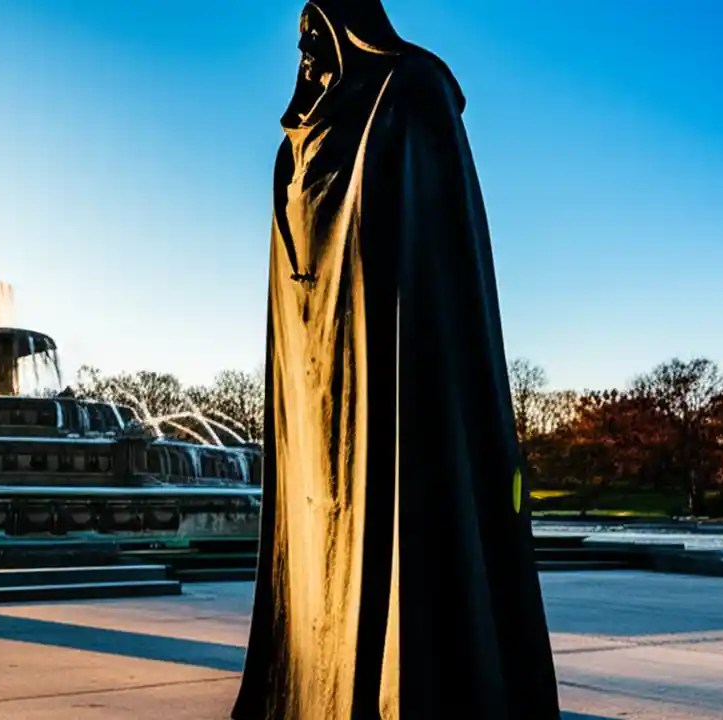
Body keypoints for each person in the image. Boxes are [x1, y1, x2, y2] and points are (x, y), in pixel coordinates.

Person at [232, 2, 561, 718]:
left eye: (320, 32)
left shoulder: (411, 90)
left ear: (353, 26)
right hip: (318, 378)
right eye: (301, 42)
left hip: (404, 356)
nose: (309, 53)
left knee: (414, 539)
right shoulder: (293, 148)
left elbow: (442, 255)